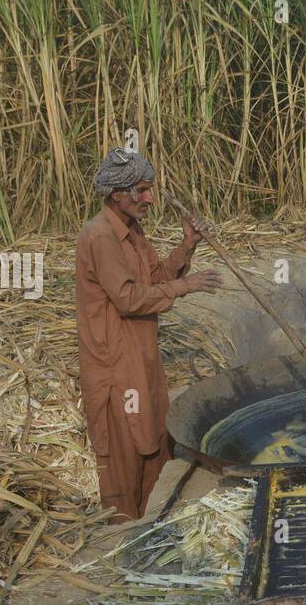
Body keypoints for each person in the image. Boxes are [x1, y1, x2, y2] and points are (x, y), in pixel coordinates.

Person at [75, 148, 222, 521]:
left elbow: (155, 281)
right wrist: (186, 285)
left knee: (154, 440)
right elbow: (127, 299)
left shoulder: (133, 232)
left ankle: (153, 526)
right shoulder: (100, 237)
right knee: (125, 453)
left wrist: (187, 244)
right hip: (116, 369)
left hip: (143, 360)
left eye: (151, 189)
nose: (150, 199)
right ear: (116, 194)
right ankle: (122, 537)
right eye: (142, 191)